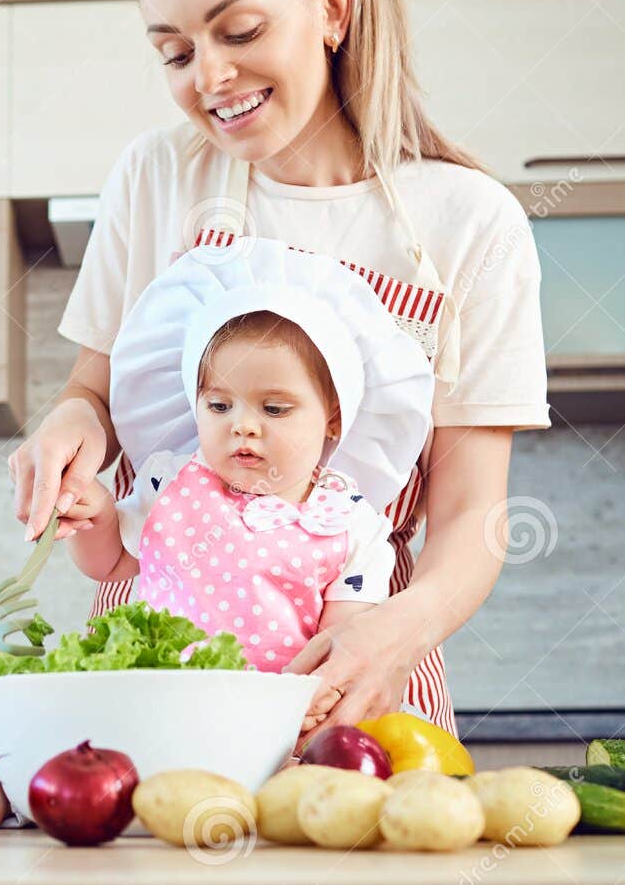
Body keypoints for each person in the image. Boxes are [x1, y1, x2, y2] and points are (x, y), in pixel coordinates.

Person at [8, 0, 550, 733]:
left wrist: (391, 634)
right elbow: (91, 393)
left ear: (332, 10)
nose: (211, 77)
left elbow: (470, 516)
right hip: (148, 669)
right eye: (176, 54)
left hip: (356, 665)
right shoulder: (159, 175)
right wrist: (71, 424)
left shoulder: (468, 221)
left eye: (241, 31)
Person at [58, 242, 434, 742]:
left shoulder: (350, 524)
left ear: (333, 419)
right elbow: (109, 564)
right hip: (161, 718)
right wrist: (97, 514)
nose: (243, 427)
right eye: (219, 406)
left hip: (279, 729)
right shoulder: (171, 483)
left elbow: (339, 642)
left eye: (274, 409)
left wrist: (314, 705)